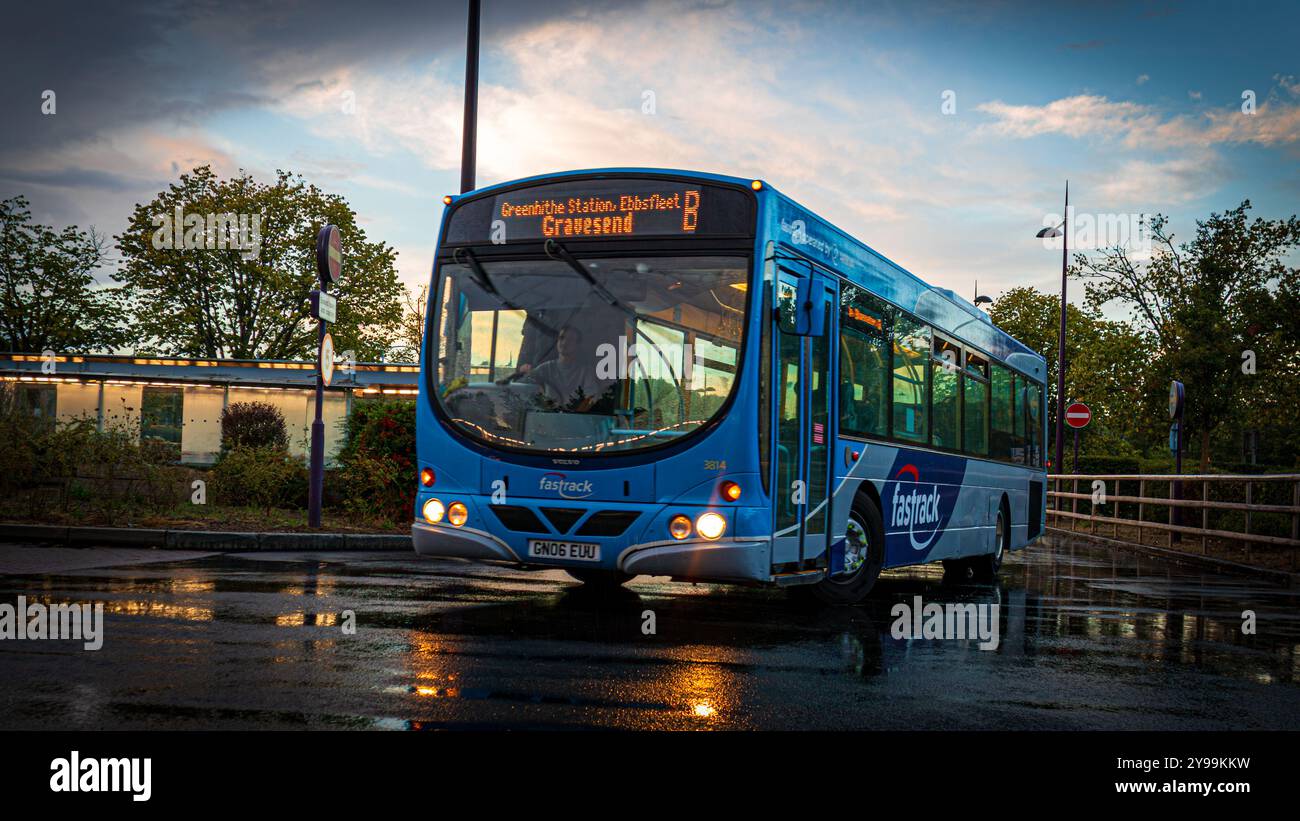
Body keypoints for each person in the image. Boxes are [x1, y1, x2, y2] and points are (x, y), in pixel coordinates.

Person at [522, 325, 614, 411]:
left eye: (570, 339)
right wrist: (525, 371)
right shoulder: (545, 368)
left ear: (577, 345)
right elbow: (525, 389)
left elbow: (591, 399)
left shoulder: (585, 372)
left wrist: (574, 412)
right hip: (548, 419)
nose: (565, 342)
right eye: (562, 338)